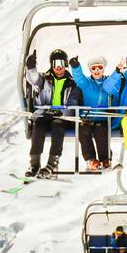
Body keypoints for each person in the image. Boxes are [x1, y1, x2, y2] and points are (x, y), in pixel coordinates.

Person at [24, 48, 80, 176]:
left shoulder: (72, 83)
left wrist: (62, 112)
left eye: (61, 64)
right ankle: (34, 164)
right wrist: (31, 67)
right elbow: (33, 79)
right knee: (38, 125)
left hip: (63, 118)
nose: (58, 68)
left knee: (57, 125)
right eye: (55, 64)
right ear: (51, 65)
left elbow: (73, 102)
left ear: (65, 64)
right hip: (45, 114)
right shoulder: (45, 79)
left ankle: (52, 163)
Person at [68, 54, 113, 171]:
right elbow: (79, 78)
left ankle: (105, 159)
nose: (97, 70)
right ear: (90, 70)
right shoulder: (87, 83)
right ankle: (91, 159)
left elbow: (116, 81)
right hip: (87, 117)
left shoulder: (108, 82)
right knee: (83, 130)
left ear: (103, 68)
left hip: (103, 118)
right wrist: (76, 67)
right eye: (93, 68)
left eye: (99, 67)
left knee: (101, 131)